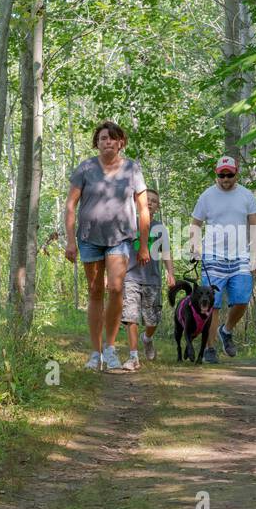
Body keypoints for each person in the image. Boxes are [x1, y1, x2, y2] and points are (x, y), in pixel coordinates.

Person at [65, 120, 151, 370]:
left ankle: (111, 348)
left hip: (121, 238)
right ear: (97, 142)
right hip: (89, 238)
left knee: (115, 289)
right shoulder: (85, 168)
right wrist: (70, 241)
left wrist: (143, 245)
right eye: (103, 138)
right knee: (94, 292)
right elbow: (71, 205)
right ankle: (95, 353)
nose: (108, 142)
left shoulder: (132, 169)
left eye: (113, 138)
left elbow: (143, 208)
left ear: (121, 142)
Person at [189, 155, 256, 363]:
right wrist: (195, 248)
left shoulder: (246, 196)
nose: (225, 179)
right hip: (212, 256)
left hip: (240, 255)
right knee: (212, 305)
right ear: (217, 175)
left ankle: (226, 330)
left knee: (241, 300)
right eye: (222, 175)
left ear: (236, 173)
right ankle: (209, 348)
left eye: (229, 175)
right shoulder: (207, 196)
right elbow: (196, 223)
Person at [120, 189, 174, 371]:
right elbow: (119, 253)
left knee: (152, 321)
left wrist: (170, 273)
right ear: (137, 202)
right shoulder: (129, 225)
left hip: (152, 279)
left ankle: (147, 338)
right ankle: (133, 356)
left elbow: (166, 253)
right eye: (146, 200)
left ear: (157, 207)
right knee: (131, 316)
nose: (149, 203)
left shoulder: (160, 228)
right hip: (130, 277)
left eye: (153, 201)